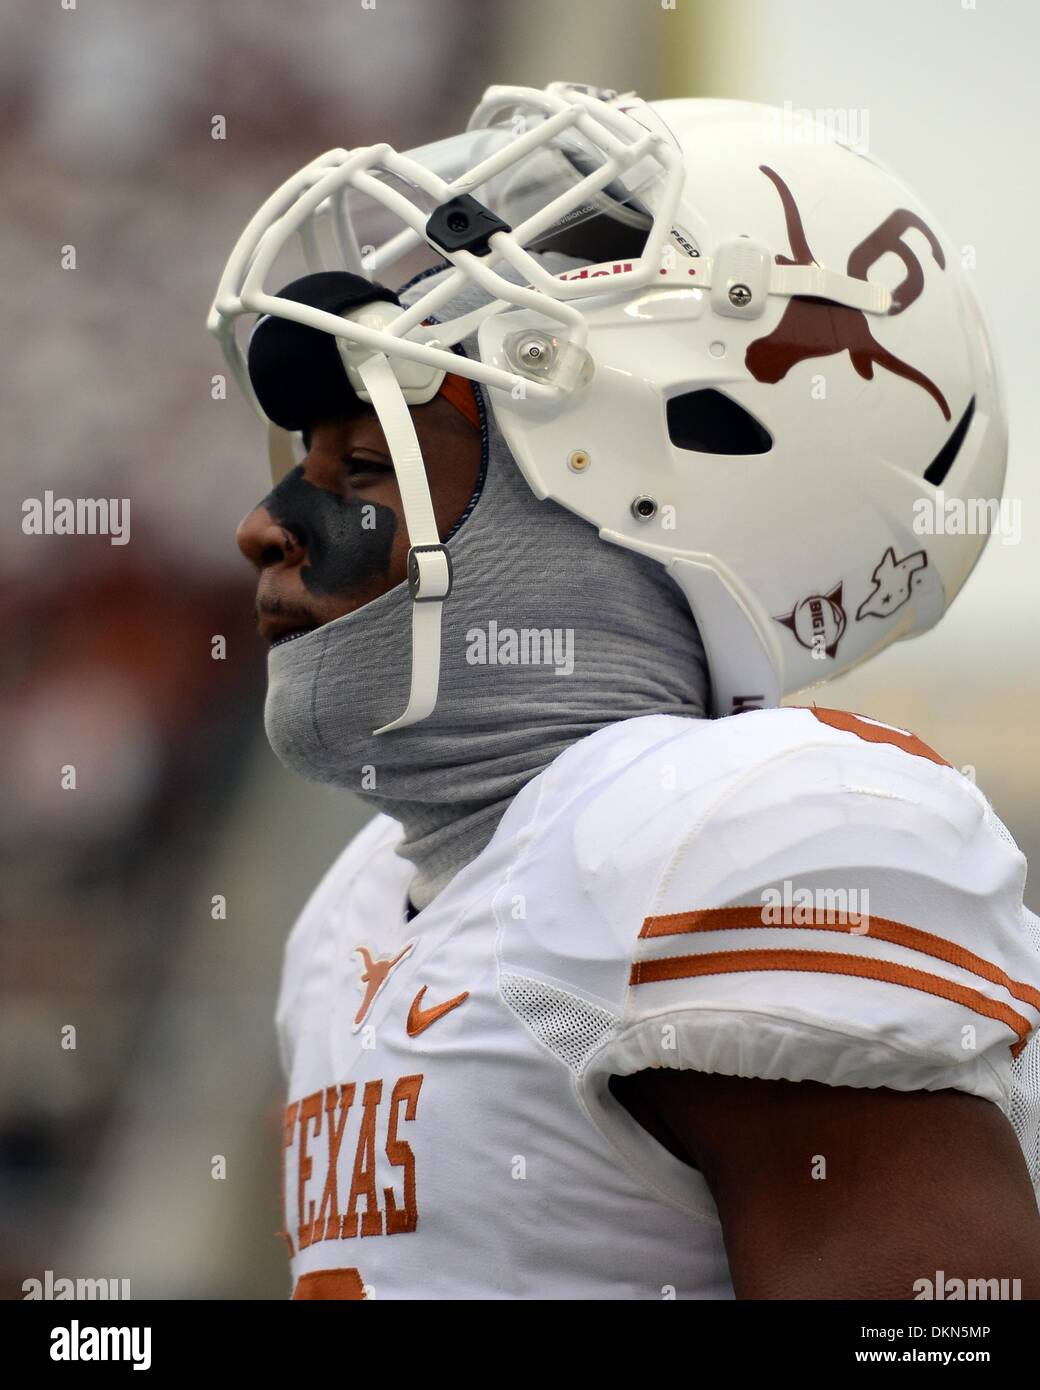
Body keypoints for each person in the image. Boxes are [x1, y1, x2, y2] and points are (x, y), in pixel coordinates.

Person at [211, 82, 1040, 1299]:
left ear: (676, 469)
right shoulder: (356, 912)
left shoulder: (725, 837)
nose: (262, 526)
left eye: (370, 463)